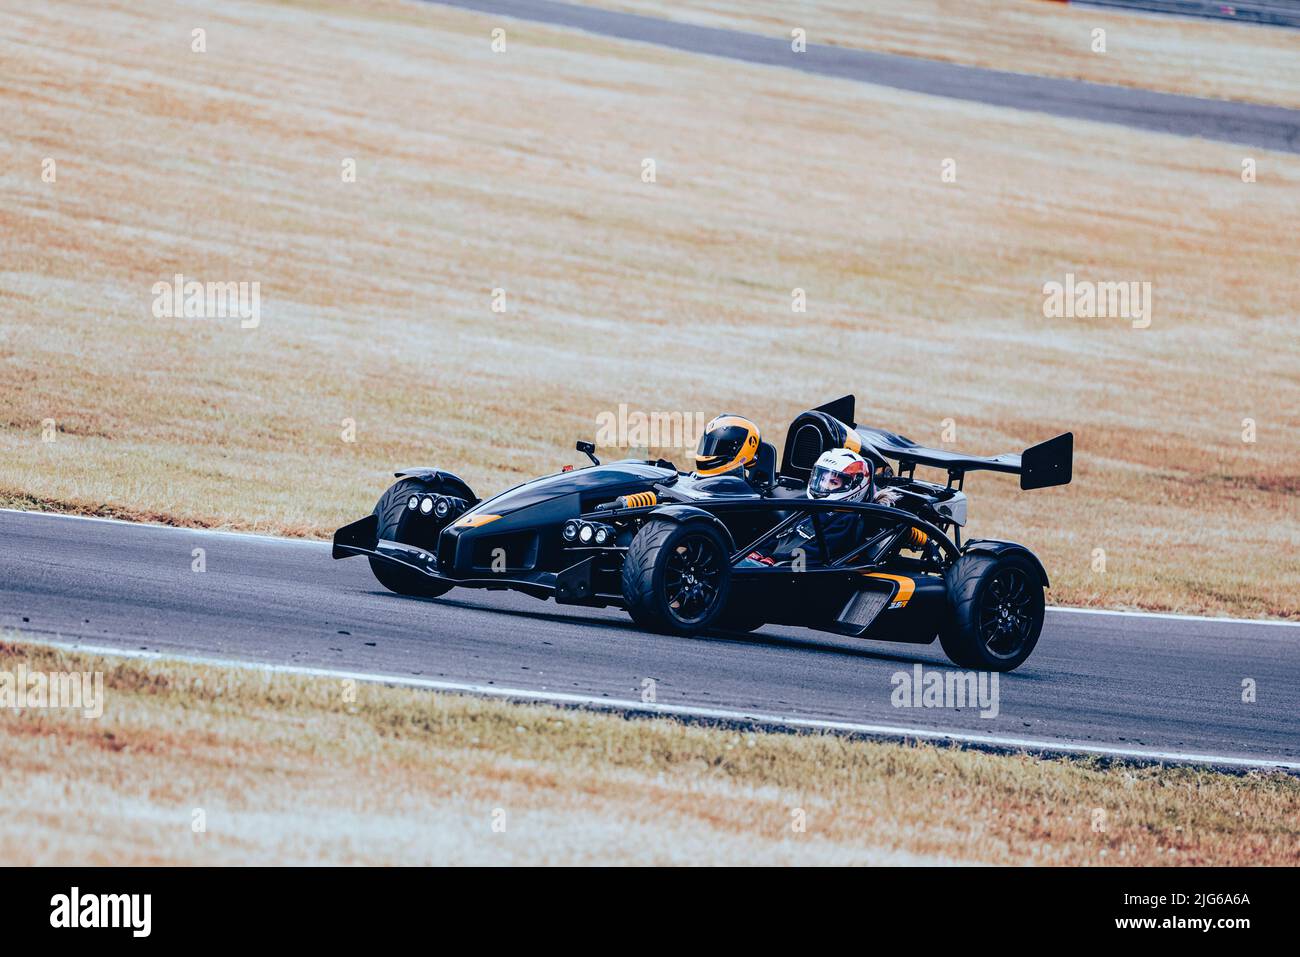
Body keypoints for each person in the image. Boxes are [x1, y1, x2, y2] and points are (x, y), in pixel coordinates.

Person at [741, 448, 889, 566]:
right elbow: (781, 535)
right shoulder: (809, 507)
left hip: (796, 572)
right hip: (776, 563)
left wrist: (775, 558)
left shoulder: (847, 519)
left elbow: (816, 552)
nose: (824, 486)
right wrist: (761, 552)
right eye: (822, 479)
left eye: (833, 482)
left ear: (855, 486)